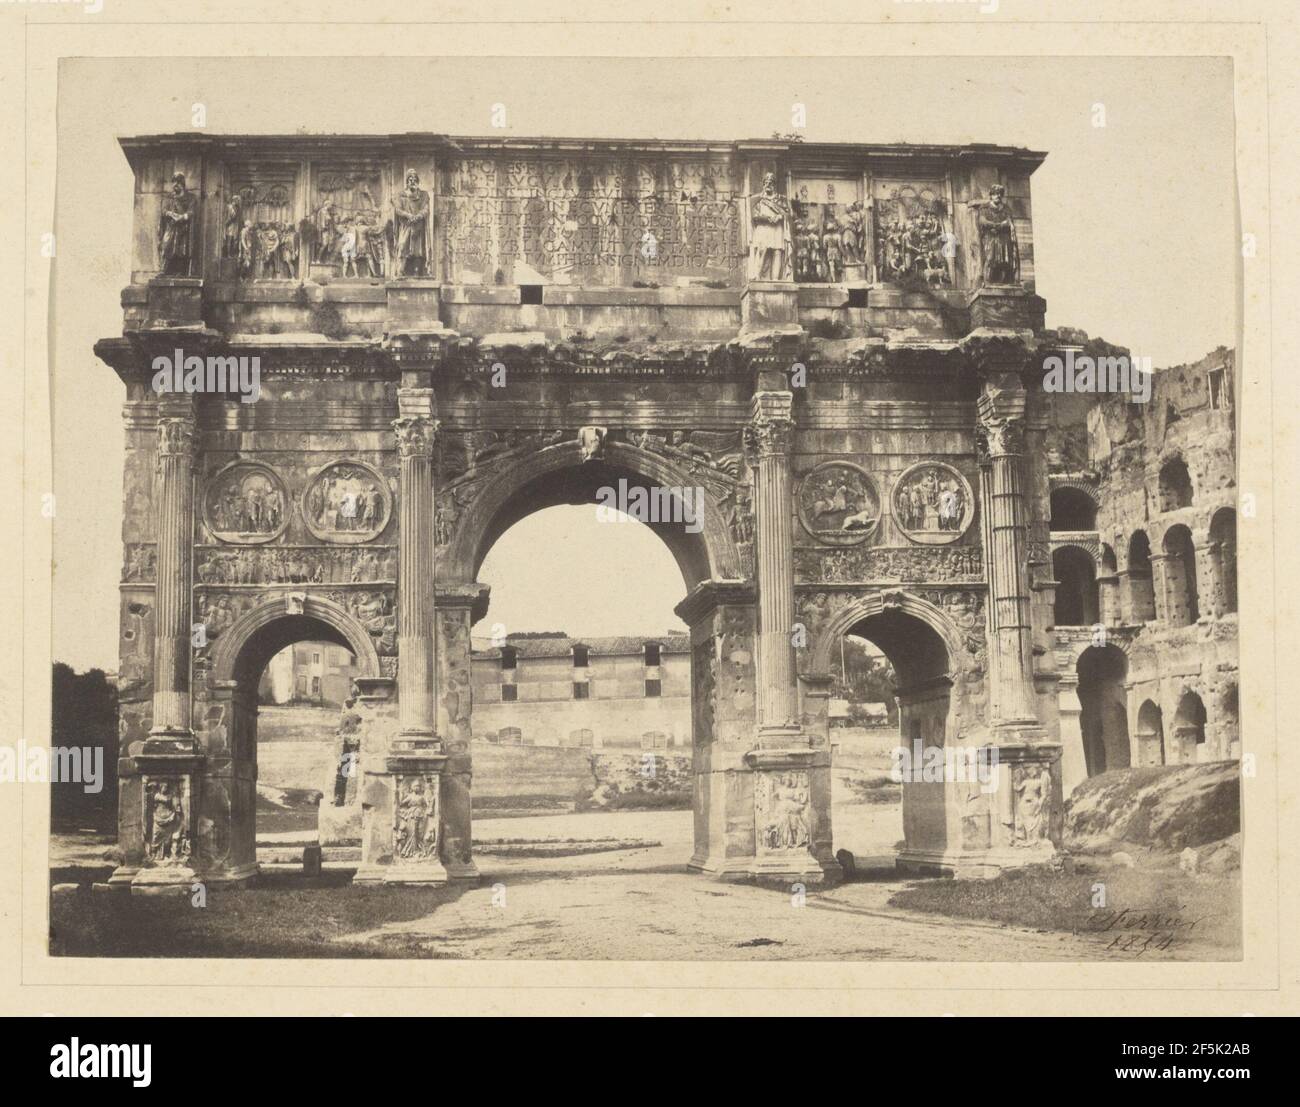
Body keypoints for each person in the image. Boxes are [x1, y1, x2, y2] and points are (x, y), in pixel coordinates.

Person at [748, 172, 792, 281]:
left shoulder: (781, 200)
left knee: (777, 252)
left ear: (774, 185)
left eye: (770, 183)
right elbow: (755, 216)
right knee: (762, 250)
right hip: (764, 228)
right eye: (766, 183)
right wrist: (767, 218)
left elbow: (787, 214)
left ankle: (775, 279)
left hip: (777, 229)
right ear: (763, 185)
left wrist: (780, 217)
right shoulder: (759, 200)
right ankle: (757, 277)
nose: (768, 185)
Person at [159, 173, 196, 275]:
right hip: (170, 227)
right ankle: (163, 269)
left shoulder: (190, 197)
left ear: (182, 184)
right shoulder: (169, 197)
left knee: (181, 249)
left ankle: (180, 271)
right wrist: (170, 213)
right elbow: (163, 210)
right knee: (166, 246)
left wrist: (182, 217)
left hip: (183, 227)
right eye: (173, 183)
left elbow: (191, 212)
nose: (174, 186)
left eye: (177, 183)